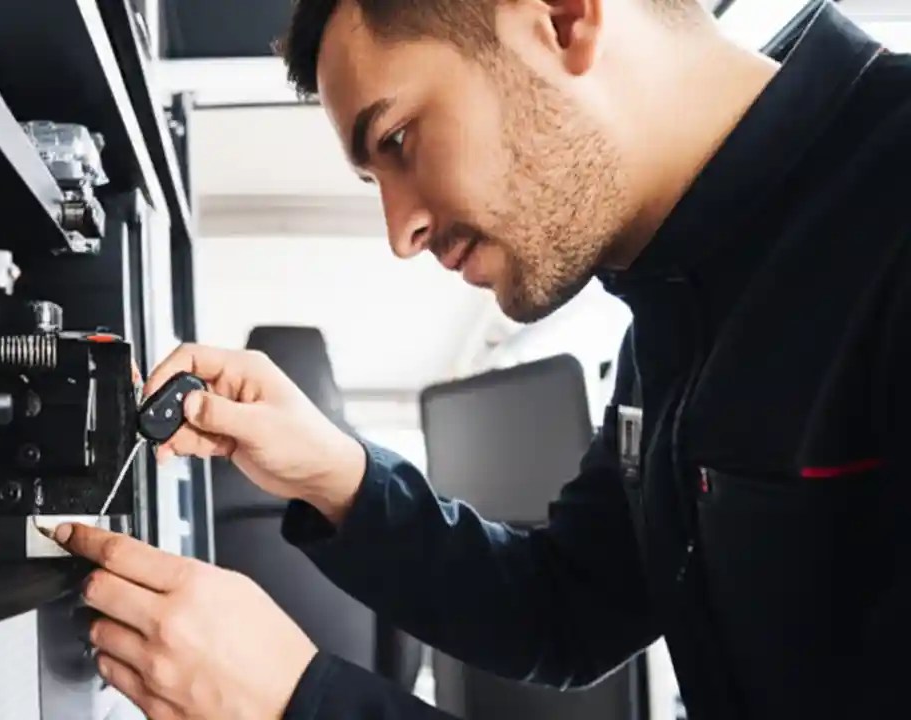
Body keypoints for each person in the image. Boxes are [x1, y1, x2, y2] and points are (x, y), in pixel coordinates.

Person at [49, 0, 911, 717]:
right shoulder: (673, 303)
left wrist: (298, 705)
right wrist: (337, 477)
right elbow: (567, 610)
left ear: (563, 19)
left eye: (398, 141)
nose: (401, 232)